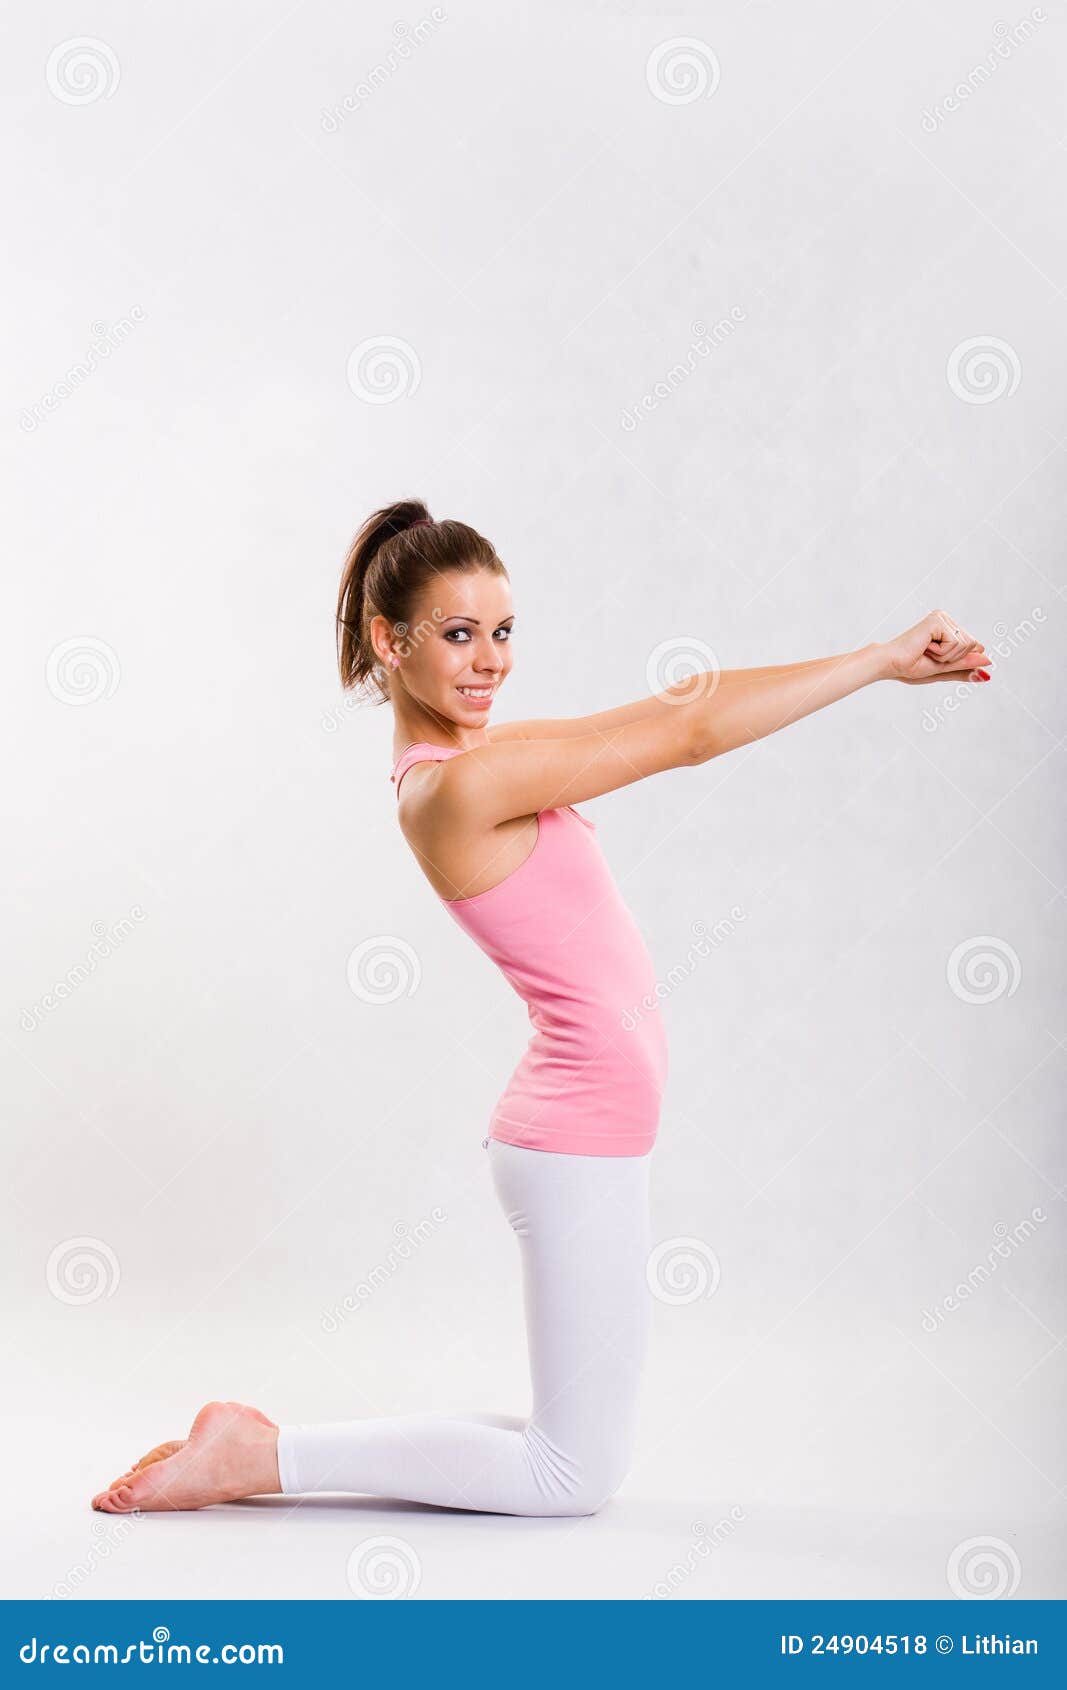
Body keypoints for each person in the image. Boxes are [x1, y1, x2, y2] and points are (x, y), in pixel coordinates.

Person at [91, 501, 992, 1516]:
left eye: (503, 630)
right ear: (388, 641)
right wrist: (877, 659)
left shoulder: (480, 761)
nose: (491, 660)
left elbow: (671, 705)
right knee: (570, 1479)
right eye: (458, 633)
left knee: (558, 1447)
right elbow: (688, 735)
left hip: (583, 1138)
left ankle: (262, 1446)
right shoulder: (456, 790)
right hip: (572, 1142)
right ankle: (257, 1460)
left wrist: (876, 661)